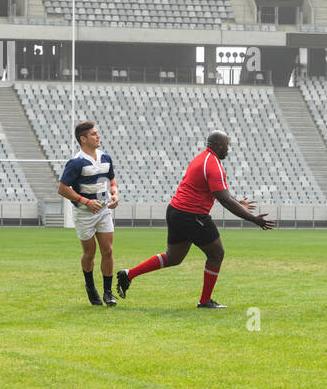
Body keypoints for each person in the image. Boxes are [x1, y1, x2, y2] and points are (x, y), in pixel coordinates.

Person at [115, 130, 274, 309]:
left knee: (173, 257)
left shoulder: (202, 158)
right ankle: (205, 301)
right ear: (219, 145)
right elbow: (224, 200)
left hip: (176, 211)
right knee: (216, 254)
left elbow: (223, 194)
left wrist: (238, 202)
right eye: (227, 145)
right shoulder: (213, 164)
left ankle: (128, 274)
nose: (228, 149)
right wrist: (253, 219)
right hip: (192, 215)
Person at [57, 121, 119, 306]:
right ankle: (90, 286)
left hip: (104, 210)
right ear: (83, 139)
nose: (97, 136)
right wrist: (86, 202)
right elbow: (62, 188)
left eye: (97, 133)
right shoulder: (76, 162)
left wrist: (115, 194)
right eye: (93, 134)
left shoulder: (106, 158)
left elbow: (112, 179)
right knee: (90, 253)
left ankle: (108, 292)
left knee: (108, 250)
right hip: (84, 214)